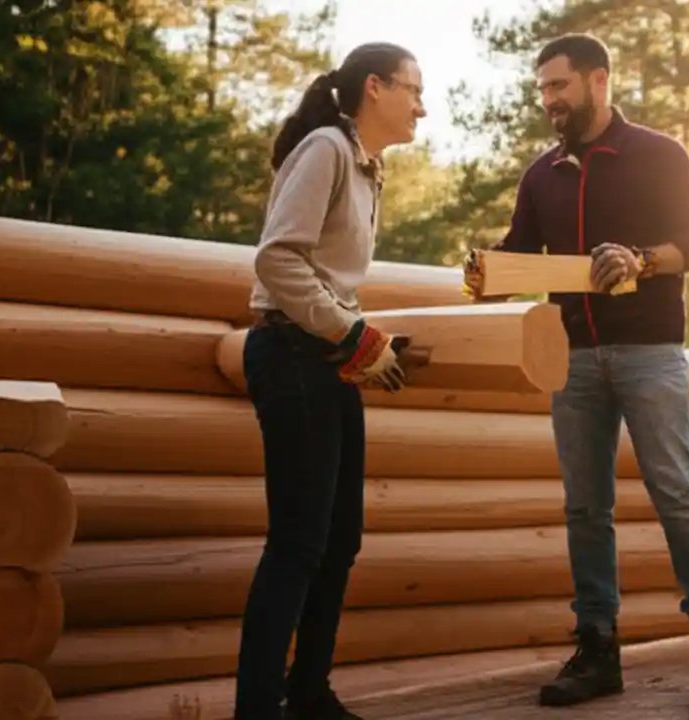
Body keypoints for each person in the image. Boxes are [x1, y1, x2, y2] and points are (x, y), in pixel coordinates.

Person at [463, 33, 689, 717]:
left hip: (650, 350)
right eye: (541, 90)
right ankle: (597, 648)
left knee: (676, 492)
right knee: (585, 507)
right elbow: (521, 253)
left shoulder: (658, 154)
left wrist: (643, 260)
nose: (548, 101)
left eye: (557, 86)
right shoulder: (541, 175)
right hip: (574, 358)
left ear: (597, 81)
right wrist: (487, 274)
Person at [235, 43, 426, 720]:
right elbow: (279, 262)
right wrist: (350, 333)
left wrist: (358, 338)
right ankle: (258, 708)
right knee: (298, 544)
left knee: (339, 540)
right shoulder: (325, 149)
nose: (421, 107)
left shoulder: (366, 167)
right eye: (413, 90)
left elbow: (325, 277)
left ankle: (309, 695)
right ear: (374, 88)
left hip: (323, 357)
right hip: (289, 355)